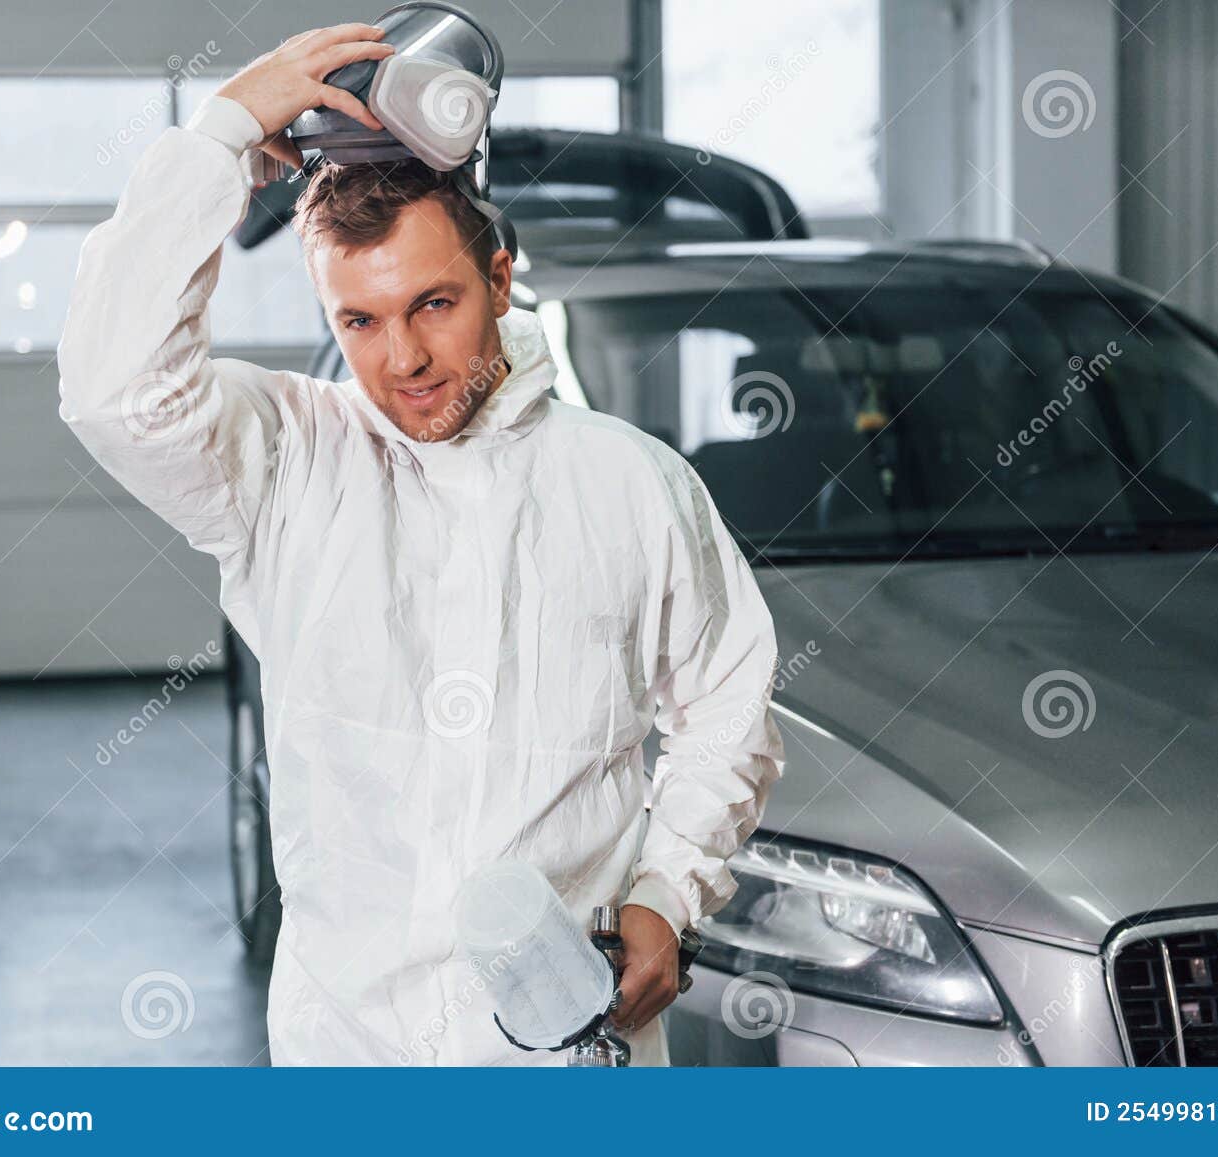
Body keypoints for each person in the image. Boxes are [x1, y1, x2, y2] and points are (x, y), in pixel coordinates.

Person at [57, 23, 785, 1066]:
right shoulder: (287, 463)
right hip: (350, 1051)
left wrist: (669, 890)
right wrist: (221, 135)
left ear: (499, 273)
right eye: (357, 321)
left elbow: (727, 703)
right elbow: (114, 390)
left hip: (565, 1061)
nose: (401, 359)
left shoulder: (631, 484)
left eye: (431, 304)